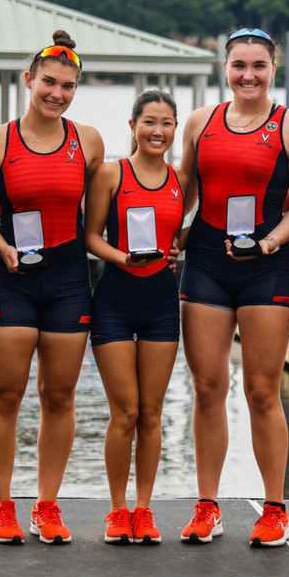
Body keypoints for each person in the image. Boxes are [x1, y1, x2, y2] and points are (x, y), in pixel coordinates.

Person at [176, 27, 289, 547]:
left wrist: (271, 242)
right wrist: (170, 234)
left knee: (262, 390)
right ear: (225, 68)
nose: (248, 75)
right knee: (209, 387)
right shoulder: (200, 123)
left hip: (265, 265)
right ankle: (207, 505)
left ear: (273, 69)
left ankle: (275, 507)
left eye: (258, 66)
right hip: (207, 263)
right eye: (239, 65)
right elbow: (184, 191)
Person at [0, 30, 103, 546]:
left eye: (68, 86)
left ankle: (46, 506)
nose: (57, 93)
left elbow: (98, 218)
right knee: (4, 395)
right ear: (29, 80)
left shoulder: (87, 141)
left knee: (60, 395)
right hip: (13, 279)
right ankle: (1, 507)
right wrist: (1, 248)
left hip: (69, 280)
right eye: (49, 82)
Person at [84, 90, 186, 545]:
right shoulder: (111, 173)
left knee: (151, 413)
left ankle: (144, 510)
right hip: (114, 301)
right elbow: (89, 237)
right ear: (132, 126)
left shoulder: (181, 179)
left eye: (166, 123)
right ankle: (117, 509)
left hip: (163, 304)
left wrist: (177, 248)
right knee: (124, 411)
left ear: (175, 129)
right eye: (148, 122)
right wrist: (122, 257)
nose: (157, 131)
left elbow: (180, 232)